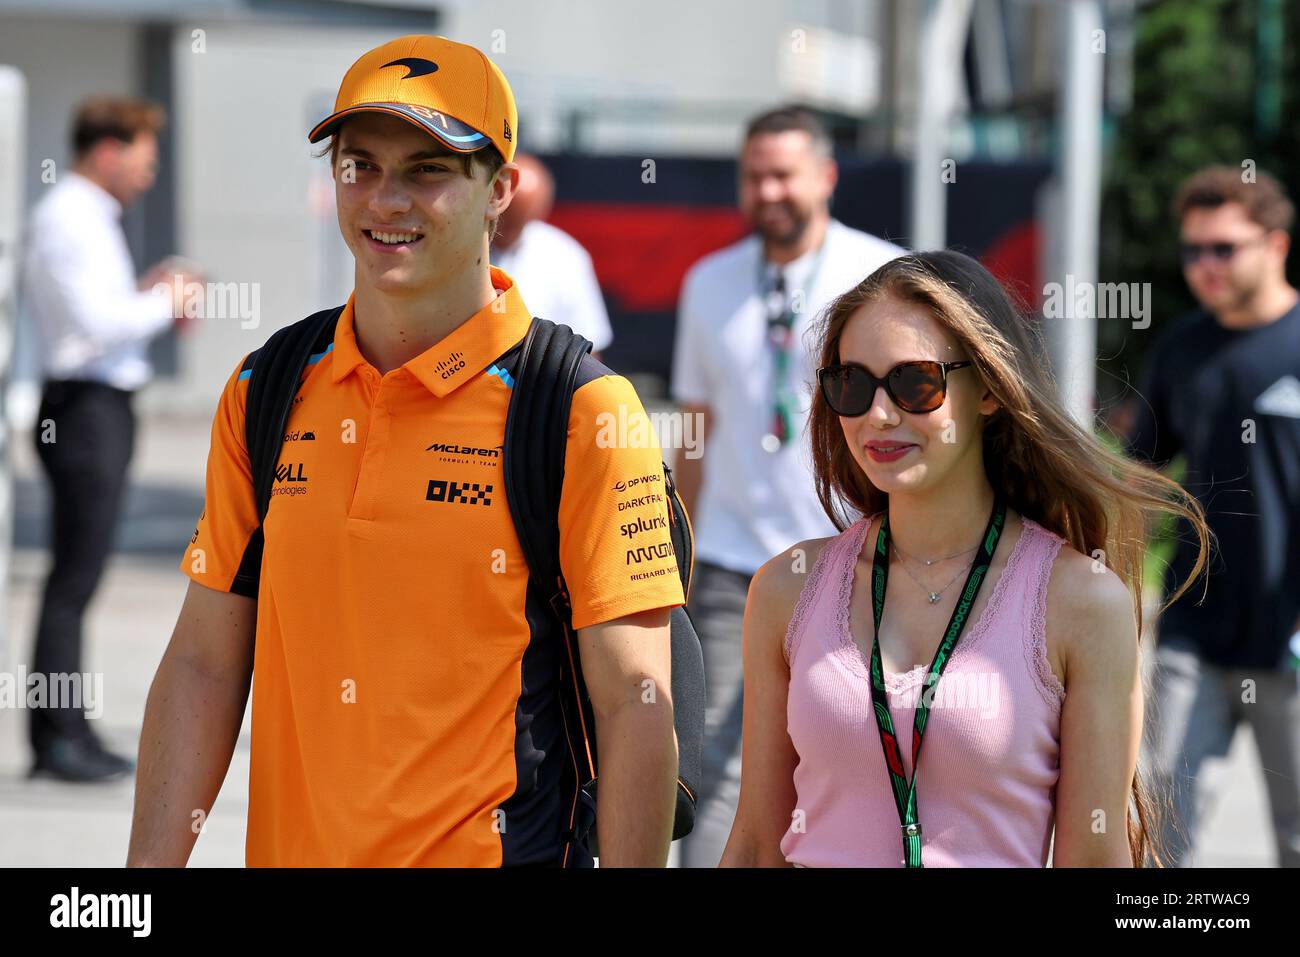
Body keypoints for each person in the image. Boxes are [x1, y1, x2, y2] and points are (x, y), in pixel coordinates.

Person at [127, 35, 683, 867]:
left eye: (427, 170)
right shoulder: (266, 386)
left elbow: (638, 706)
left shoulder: (579, 409)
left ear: (500, 190)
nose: (386, 200)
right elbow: (205, 665)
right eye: (360, 166)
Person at [721, 250, 1210, 867]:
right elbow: (757, 844)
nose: (878, 413)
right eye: (852, 383)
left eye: (914, 381)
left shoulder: (1080, 602)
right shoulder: (787, 588)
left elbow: (1092, 858)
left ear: (989, 390)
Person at [669, 104, 904, 867]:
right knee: (719, 764)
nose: (769, 191)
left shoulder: (882, 277)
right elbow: (696, 428)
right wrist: (682, 557)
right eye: (754, 175)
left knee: (860, 750)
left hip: (858, 559)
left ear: (826, 177)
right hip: (738, 568)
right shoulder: (708, 283)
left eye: (784, 174)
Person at [1126, 165, 1300, 868]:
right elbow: (1138, 478)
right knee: (1164, 822)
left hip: (1290, 642)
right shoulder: (1182, 346)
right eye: (1193, 250)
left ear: (1277, 245)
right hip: (1191, 629)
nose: (1204, 266)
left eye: (1224, 248)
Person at [23, 95, 198, 782]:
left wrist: (147, 293)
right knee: (73, 580)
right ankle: (57, 737)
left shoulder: (86, 215)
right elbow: (96, 324)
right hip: (85, 407)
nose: (149, 174)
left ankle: (69, 729)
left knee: (78, 579)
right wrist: (168, 298)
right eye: (144, 159)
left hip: (94, 403)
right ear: (108, 152)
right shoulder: (72, 215)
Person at [491, 152, 613, 354]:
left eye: (519, 220)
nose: (506, 231)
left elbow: (589, 348)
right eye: (505, 216)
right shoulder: (456, 245)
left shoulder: (566, 257)